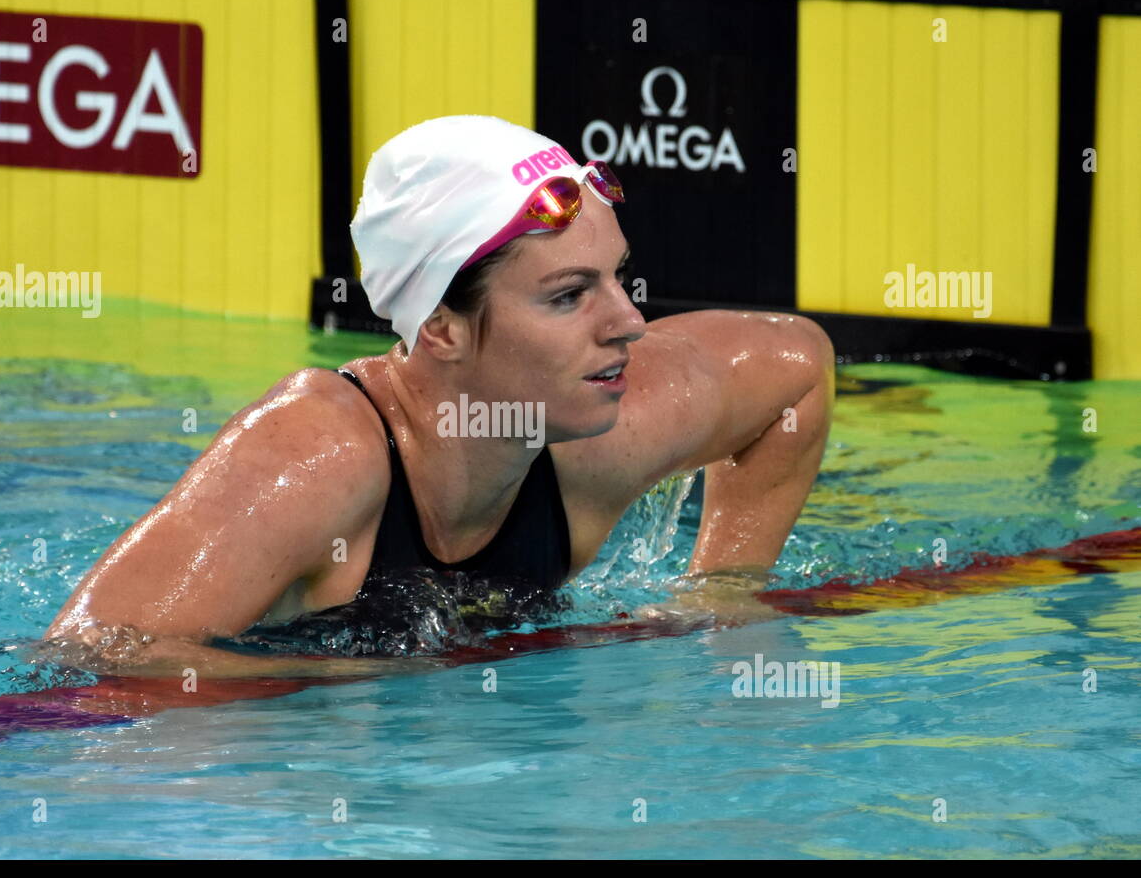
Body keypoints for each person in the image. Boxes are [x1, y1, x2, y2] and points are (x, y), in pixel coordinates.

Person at [41, 115, 835, 678]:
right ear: (443, 327)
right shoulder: (322, 455)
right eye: (568, 296)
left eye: (617, 277)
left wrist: (718, 599)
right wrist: (344, 677)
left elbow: (797, 365)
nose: (628, 321)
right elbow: (97, 655)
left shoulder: (602, 434)